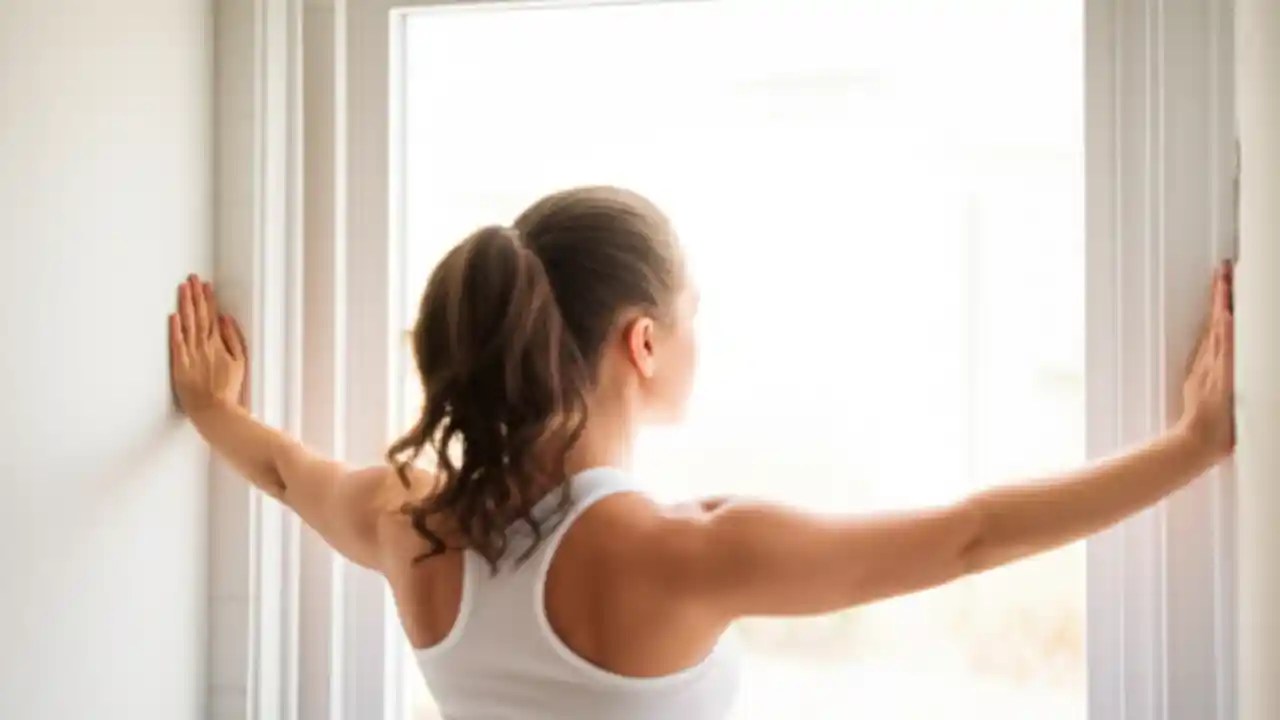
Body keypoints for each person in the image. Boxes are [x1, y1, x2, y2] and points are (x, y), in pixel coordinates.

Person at [170, 186, 1235, 720]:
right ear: (643, 341)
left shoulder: (413, 519)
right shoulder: (683, 552)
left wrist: (214, 411)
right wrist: (1193, 442)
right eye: (690, 320)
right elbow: (966, 538)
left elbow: (281, 468)